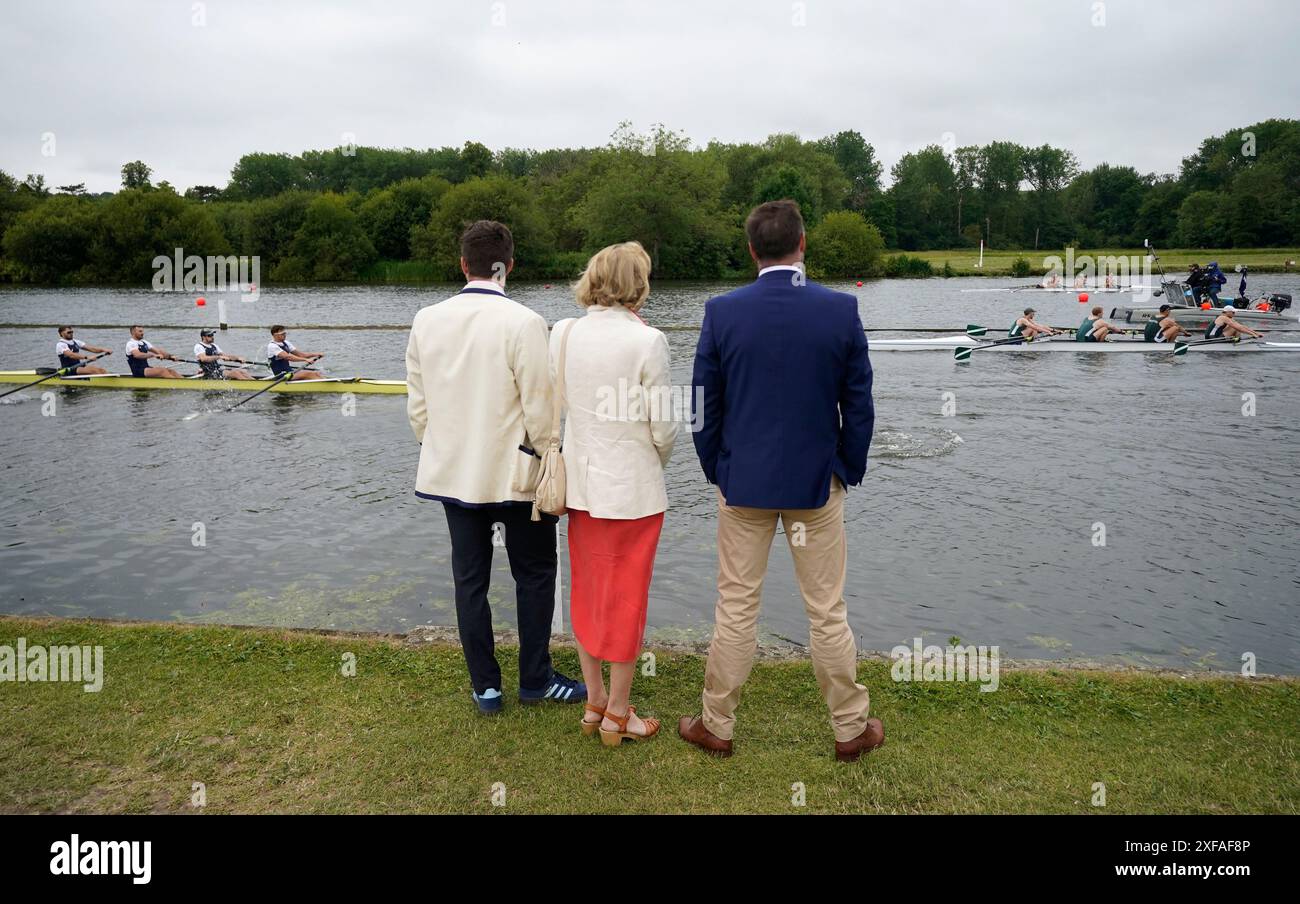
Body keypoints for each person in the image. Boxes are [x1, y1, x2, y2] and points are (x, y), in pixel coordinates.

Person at [683, 199, 881, 763]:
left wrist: (717, 470)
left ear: (751, 250)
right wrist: (846, 468)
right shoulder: (839, 310)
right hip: (817, 485)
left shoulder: (723, 312)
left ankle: (717, 723)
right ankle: (849, 728)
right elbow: (860, 405)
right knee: (827, 610)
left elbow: (700, 407)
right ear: (803, 243)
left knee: (736, 607)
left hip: (742, 483)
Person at [405, 219, 585, 715]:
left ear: (464, 264)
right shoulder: (524, 321)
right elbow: (541, 409)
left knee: (470, 580)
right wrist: (551, 458)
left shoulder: (426, 319)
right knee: (534, 574)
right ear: (510, 265)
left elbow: (418, 406)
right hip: (517, 477)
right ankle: (536, 679)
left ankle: (486, 686)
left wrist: (442, 447)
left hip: (453, 474)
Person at [551, 242, 677, 746]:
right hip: (633, 494)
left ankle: (594, 700)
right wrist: (651, 463)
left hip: (581, 489)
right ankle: (619, 715)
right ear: (639, 285)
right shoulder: (648, 342)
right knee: (626, 598)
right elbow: (664, 429)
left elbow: (558, 401)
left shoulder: (562, 333)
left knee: (587, 593)